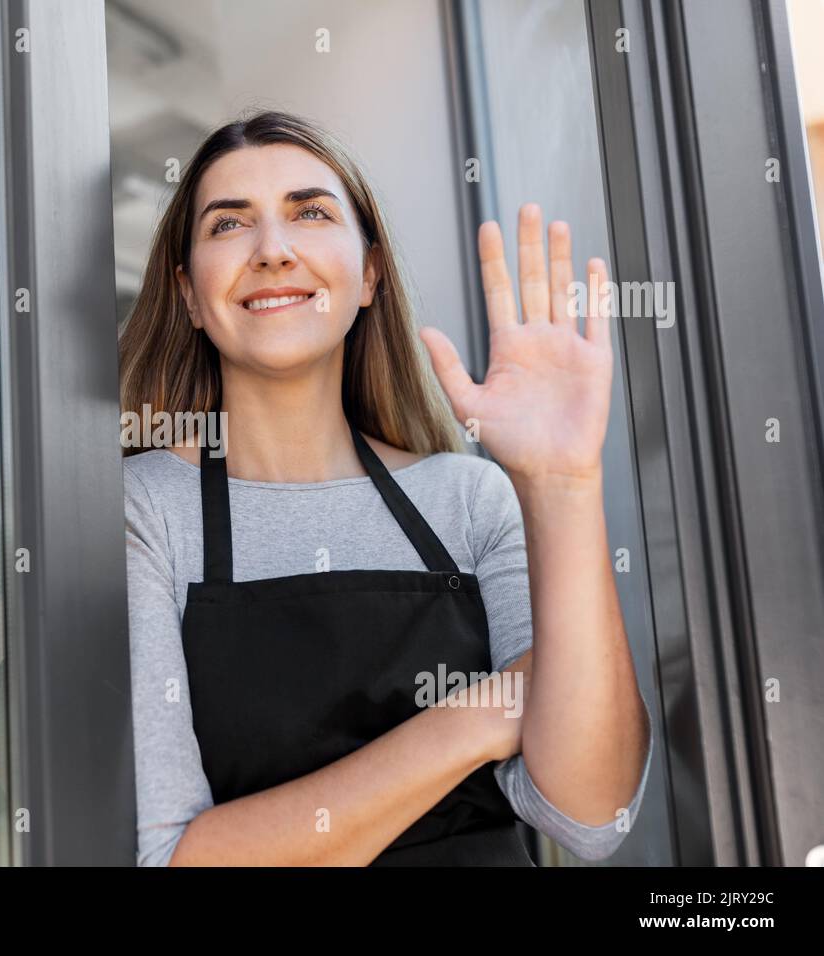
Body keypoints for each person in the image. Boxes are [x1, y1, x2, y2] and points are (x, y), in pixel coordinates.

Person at [120, 109, 653, 866]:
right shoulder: (144, 511)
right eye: (229, 225)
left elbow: (592, 815)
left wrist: (563, 483)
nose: (273, 250)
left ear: (369, 273)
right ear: (189, 296)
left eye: (310, 212)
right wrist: (479, 715)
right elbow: (173, 859)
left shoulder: (469, 500)